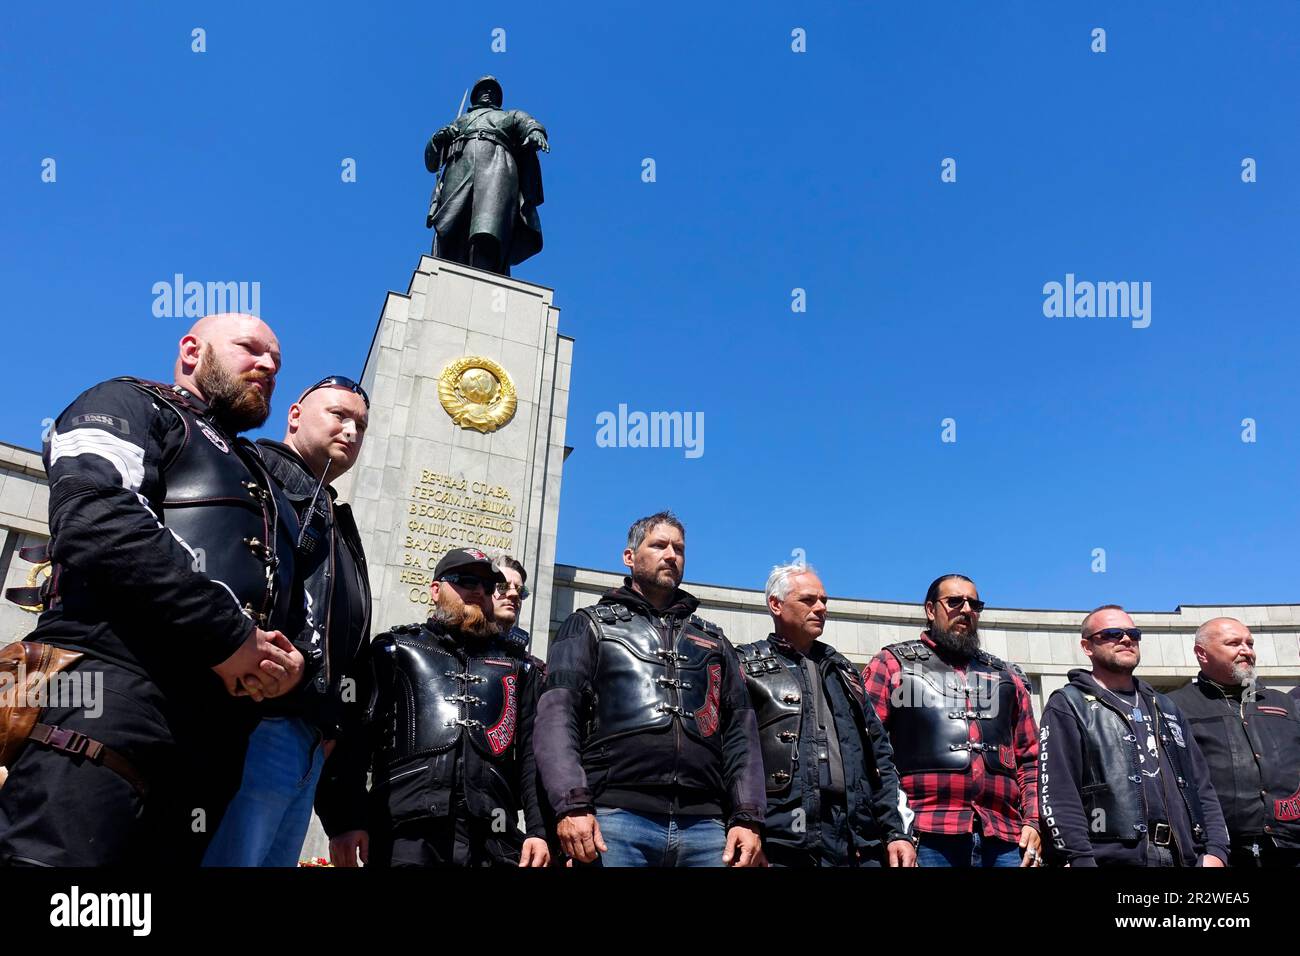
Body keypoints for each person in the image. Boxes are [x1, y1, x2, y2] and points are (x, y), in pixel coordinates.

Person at [0, 313, 305, 866]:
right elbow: (97, 517)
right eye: (250, 349)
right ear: (192, 350)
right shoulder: (127, 401)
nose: (267, 366)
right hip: (108, 690)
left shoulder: (259, 474)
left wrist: (285, 666)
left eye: (277, 362)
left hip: (212, 740)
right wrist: (229, 634)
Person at [203, 375, 373, 866]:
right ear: (295, 414)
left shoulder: (333, 515)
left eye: (360, 425)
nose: (350, 431)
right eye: (338, 415)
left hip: (309, 740)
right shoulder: (253, 472)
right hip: (260, 719)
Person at [534, 511, 765, 867]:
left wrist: (747, 816)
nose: (671, 555)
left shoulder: (714, 639)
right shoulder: (588, 625)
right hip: (614, 820)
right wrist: (572, 804)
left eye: (679, 548)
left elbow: (741, 733)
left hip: (707, 827)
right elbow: (557, 717)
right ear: (629, 557)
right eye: (659, 545)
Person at [317, 548, 549, 867]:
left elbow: (531, 757)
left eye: (486, 584)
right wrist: (345, 820)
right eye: (467, 580)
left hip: (492, 839)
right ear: (436, 589)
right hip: (405, 836)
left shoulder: (517, 669)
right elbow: (353, 740)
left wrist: (539, 830)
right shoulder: (393, 651)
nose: (479, 590)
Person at [736, 563, 916, 867]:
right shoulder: (745, 664)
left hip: (855, 842)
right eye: (808, 600)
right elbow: (731, 753)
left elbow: (880, 757)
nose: (820, 608)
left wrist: (895, 833)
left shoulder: (844, 672)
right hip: (781, 841)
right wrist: (744, 824)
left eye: (824, 601)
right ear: (776, 604)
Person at [862, 573, 1041, 867]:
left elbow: (1030, 759)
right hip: (923, 834)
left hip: (1005, 839)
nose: (967, 610)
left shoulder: (1008, 676)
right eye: (955, 602)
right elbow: (867, 751)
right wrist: (890, 829)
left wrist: (1033, 821)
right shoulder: (892, 664)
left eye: (974, 604)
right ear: (931, 610)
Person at [1038, 605, 1229, 867]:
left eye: (1133, 633)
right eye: (1113, 633)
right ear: (1087, 646)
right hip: (1111, 859)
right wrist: (1079, 859)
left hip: (1183, 856)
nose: (1126, 639)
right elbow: (1059, 793)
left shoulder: (1166, 707)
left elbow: (1201, 785)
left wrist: (1217, 850)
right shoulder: (1069, 704)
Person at [1168, 617, 1300, 867]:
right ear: (1201, 653)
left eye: (1250, 643)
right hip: (1220, 851)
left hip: (1289, 848)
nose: (1246, 650)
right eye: (1234, 643)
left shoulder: (1284, 703)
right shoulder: (1175, 706)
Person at [424, 75, 549, 275]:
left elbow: (526, 122)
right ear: (474, 96)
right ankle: (449, 273)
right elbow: (432, 163)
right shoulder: (459, 122)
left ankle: (484, 274)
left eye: (493, 91)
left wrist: (535, 131)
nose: (488, 93)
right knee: (450, 228)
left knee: (487, 227)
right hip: (459, 170)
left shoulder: (507, 116)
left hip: (496, 169)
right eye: (484, 90)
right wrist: (437, 140)